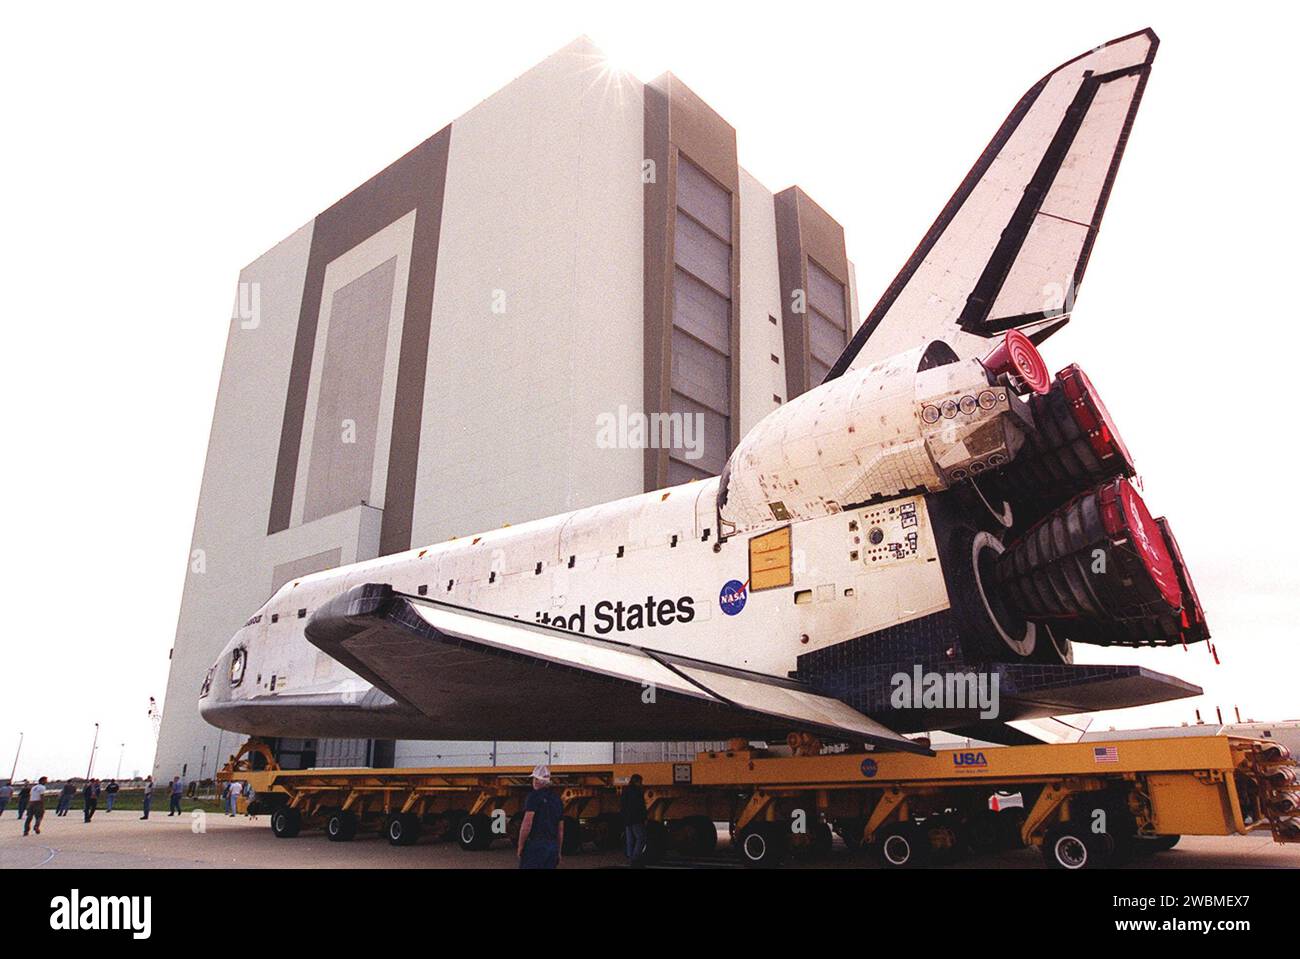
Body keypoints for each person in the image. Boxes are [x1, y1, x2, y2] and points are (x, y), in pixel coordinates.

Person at [516, 764, 564, 869]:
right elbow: (560, 830)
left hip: (536, 846)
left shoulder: (533, 797)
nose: (533, 781)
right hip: (552, 846)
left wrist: (520, 845)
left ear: (537, 780)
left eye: (534, 778)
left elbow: (527, 823)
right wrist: (558, 851)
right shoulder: (557, 800)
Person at [621, 773, 647, 864]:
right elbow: (640, 806)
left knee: (630, 839)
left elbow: (623, 805)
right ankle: (635, 857)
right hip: (636, 819)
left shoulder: (625, 791)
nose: (641, 784)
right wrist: (644, 817)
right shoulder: (637, 792)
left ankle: (630, 856)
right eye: (640, 782)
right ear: (637, 781)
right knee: (641, 838)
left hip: (627, 819)